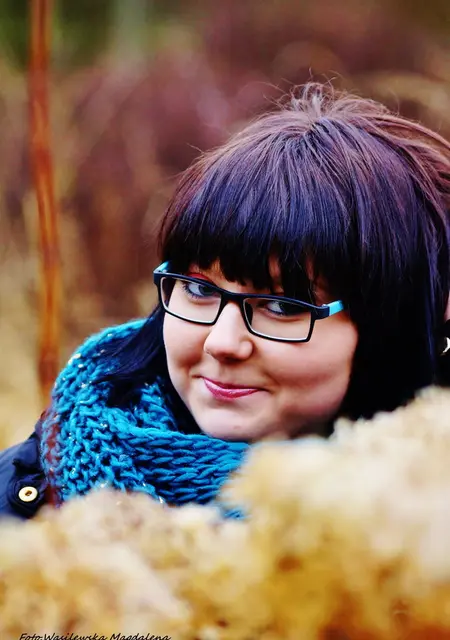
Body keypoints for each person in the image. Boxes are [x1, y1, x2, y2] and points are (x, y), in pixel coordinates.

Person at [1, 83, 449, 520]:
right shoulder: (30, 512)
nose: (222, 343)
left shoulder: (426, 523)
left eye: (283, 306)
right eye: (199, 289)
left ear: (390, 329)